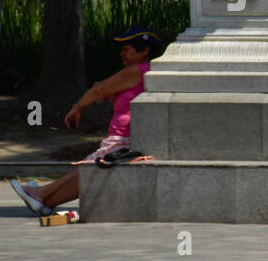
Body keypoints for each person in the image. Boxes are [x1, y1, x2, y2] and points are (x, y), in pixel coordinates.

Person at [10, 28, 161, 216]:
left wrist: (78, 106)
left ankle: (43, 193)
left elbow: (100, 89)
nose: (122, 53)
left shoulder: (136, 71)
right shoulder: (147, 72)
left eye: (127, 49)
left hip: (124, 139)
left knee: (89, 167)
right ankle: (45, 201)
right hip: (125, 136)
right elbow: (110, 93)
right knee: (90, 168)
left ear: (144, 50)